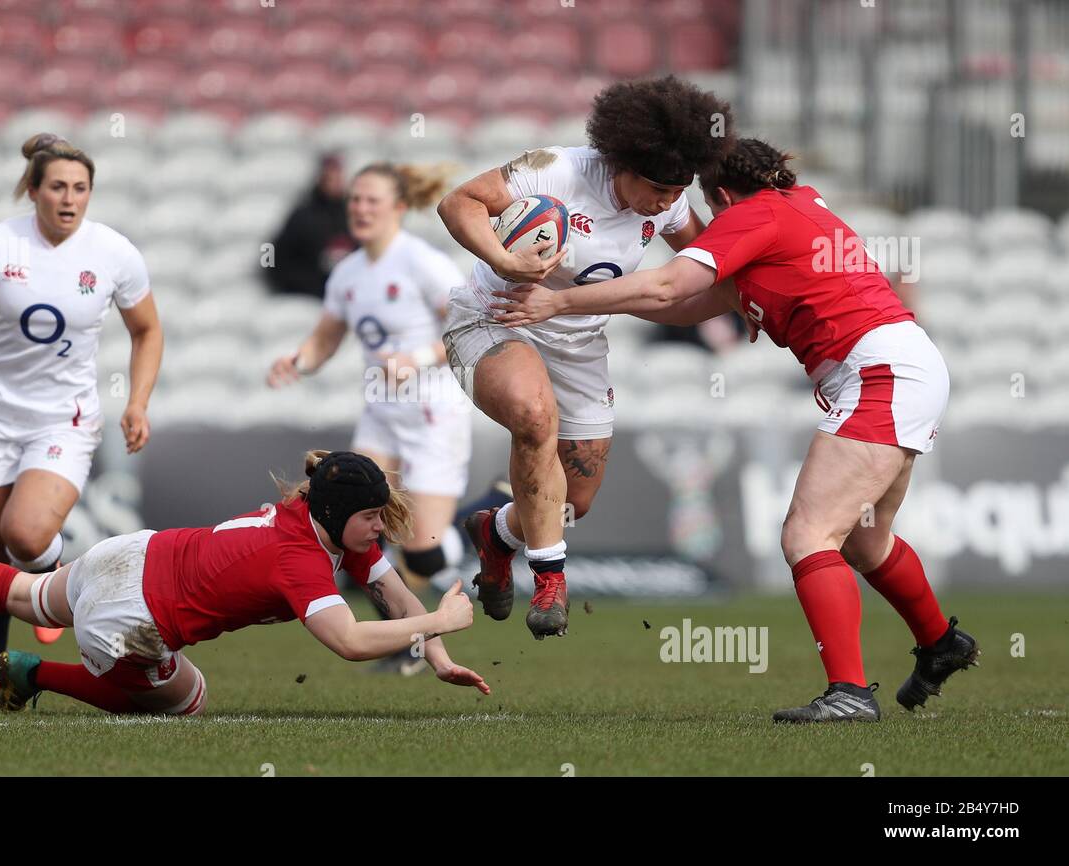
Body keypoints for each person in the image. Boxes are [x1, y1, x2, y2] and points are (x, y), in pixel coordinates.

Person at [491, 138, 979, 722]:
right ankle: (940, 643)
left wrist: (560, 303)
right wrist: (598, 305)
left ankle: (850, 692)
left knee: (807, 535)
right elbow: (695, 304)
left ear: (720, 195)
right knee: (864, 540)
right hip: (902, 366)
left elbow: (671, 286)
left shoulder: (753, 216)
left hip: (879, 373)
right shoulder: (799, 202)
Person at [437, 76, 734, 639]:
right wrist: (505, 259)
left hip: (579, 342)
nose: (668, 201)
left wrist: (752, 300)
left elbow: (704, 272)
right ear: (624, 158)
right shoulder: (560, 170)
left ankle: (496, 533)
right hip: (497, 316)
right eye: (658, 187)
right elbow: (459, 203)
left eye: (679, 190)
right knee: (533, 415)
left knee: (576, 499)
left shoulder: (668, 207)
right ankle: (550, 579)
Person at [0, 451, 489, 714]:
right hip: (136, 617)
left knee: (23, 593)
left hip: (133, 554)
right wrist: (437, 622)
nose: (379, 528)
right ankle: (29, 673)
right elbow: (348, 641)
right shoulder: (300, 557)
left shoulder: (315, 515)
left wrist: (437, 656)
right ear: (333, 512)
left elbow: (390, 592)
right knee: (185, 701)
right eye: (371, 516)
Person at [0, 133, 163, 702]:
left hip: (64, 420)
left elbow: (147, 330)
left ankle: (51, 582)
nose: (69, 198)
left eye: (80, 188)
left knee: (24, 537)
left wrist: (137, 402)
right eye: (57, 186)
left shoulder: (113, 253)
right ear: (33, 190)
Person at [267, 162, 472, 673]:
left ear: (398, 207)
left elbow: (469, 326)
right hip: (381, 415)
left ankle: (487, 520)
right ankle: (402, 636)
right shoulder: (348, 272)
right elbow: (327, 336)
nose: (359, 208)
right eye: (355, 200)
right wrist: (299, 361)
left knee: (422, 550)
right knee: (353, 510)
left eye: (371, 200)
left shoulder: (422, 263)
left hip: (432, 416)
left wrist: (416, 359)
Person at [263, 153, 355, 299]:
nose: (336, 183)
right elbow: (269, 250)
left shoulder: (354, 216)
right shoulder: (302, 215)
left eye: (339, 177)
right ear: (320, 178)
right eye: (331, 177)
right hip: (308, 297)